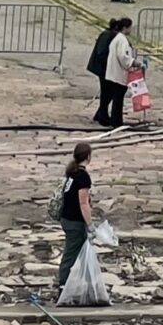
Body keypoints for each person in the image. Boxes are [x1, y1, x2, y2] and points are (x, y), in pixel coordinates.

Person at [57, 142, 97, 293]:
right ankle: (64, 286)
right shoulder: (82, 177)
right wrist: (90, 224)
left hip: (66, 218)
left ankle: (79, 284)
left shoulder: (72, 174)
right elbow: (83, 203)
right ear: (88, 156)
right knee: (71, 254)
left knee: (77, 254)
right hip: (75, 221)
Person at [103, 18, 135, 127]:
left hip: (113, 72)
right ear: (125, 28)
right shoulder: (122, 40)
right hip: (118, 73)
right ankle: (116, 121)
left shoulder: (117, 38)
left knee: (116, 99)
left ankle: (115, 120)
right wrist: (133, 63)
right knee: (118, 99)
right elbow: (123, 57)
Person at [87, 18, 119, 127]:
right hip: (103, 69)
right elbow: (101, 53)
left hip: (106, 69)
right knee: (107, 92)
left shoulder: (111, 35)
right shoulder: (107, 36)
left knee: (108, 93)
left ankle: (100, 114)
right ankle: (103, 117)